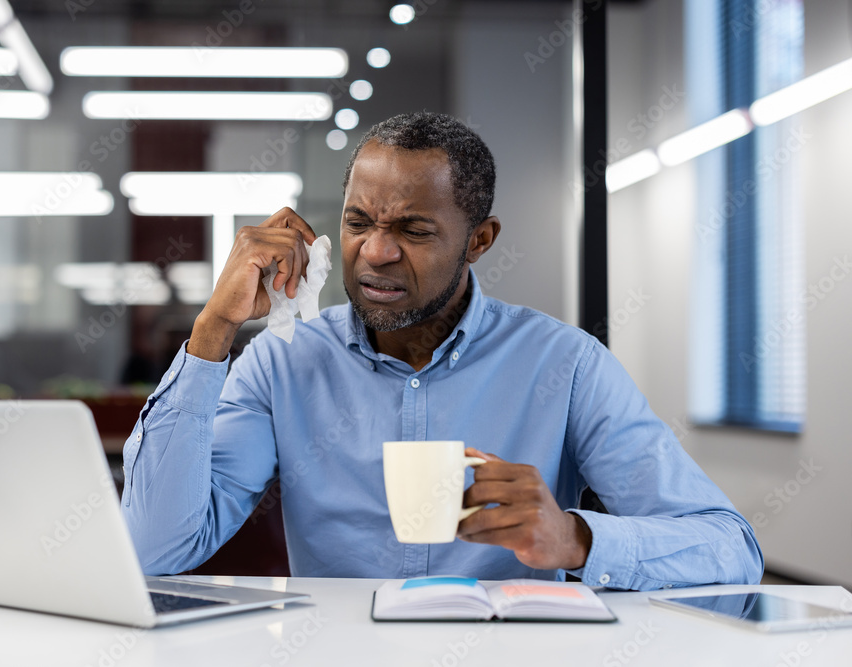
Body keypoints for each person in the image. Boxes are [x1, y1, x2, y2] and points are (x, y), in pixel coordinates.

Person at [121, 112, 763, 590]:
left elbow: (730, 550)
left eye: (414, 229)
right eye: (358, 222)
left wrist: (576, 538)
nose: (376, 252)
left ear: (479, 240)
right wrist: (214, 328)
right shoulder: (282, 362)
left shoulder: (564, 364)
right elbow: (154, 549)